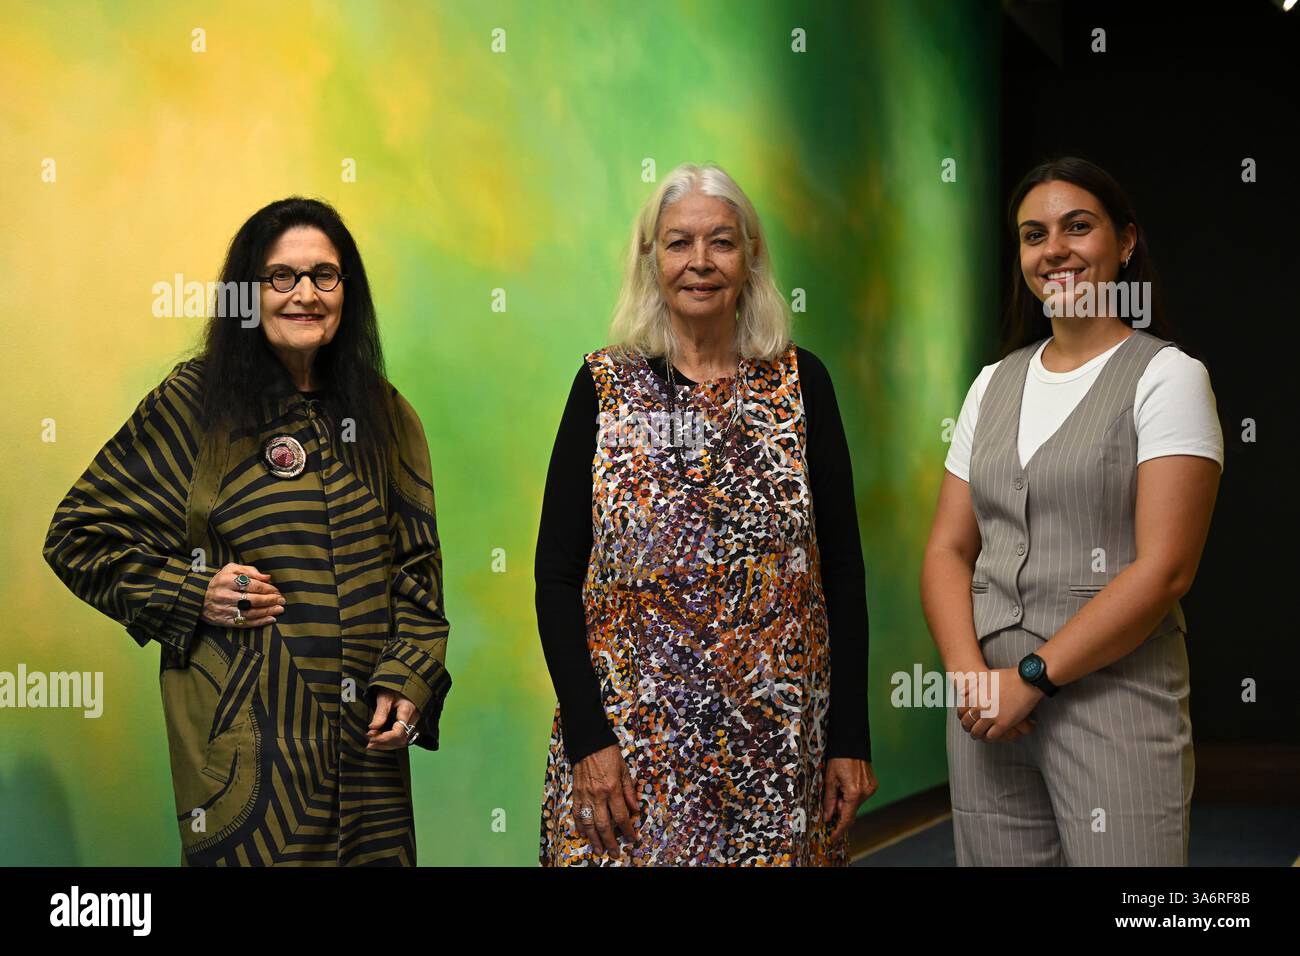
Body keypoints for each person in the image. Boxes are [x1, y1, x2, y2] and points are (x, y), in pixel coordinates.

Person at [42, 197, 452, 866]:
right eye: (280, 277)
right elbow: (79, 537)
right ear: (246, 293)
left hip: (368, 768)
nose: (305, 295)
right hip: (251, 775)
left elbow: (417, 574)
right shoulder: (195, 405)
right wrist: (192, 590)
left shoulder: (385, 415)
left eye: (324, 275)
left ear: (346, 291)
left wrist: (409, 679)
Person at [535, 162, 878, 865]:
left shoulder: (801, 382)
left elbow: (842, 571)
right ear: (650, 259)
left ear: (750, 258)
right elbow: (555, 576)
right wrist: (588, 741)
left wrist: (849, 736)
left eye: (721, 241)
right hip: (631, 749)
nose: (700, 261)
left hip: (779, 746)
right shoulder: (603, 387)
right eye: (678, 242)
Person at [921, 157, 1222, 866]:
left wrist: (1032, 678)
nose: (1054, 249)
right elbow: (948, 550)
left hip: (1113, 699)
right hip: (987, 714)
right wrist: (970, 678)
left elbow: (1166, 570)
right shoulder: (991, 384)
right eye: (1034, 235)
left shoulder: (1168, 377)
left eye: (1077, 227)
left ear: (1125, 242)